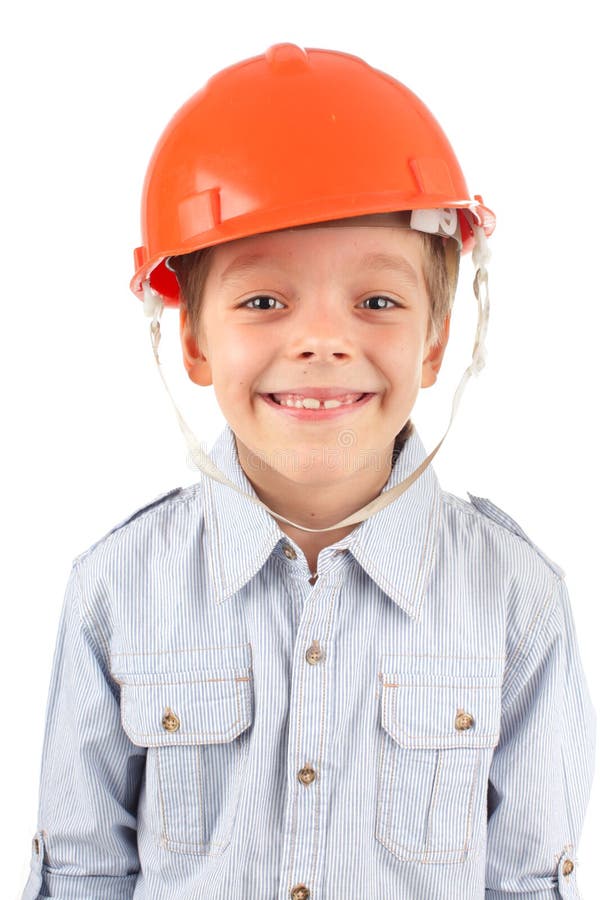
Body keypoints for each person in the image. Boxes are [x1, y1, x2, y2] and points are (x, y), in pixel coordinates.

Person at [21, 43, 595, 900]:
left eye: (377, 301)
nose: (322, 342)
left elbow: (525, 881)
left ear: (436, 341)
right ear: (192, 340)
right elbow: (81, 875)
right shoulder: (115, 590)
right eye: (263, 301)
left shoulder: (517, 599)